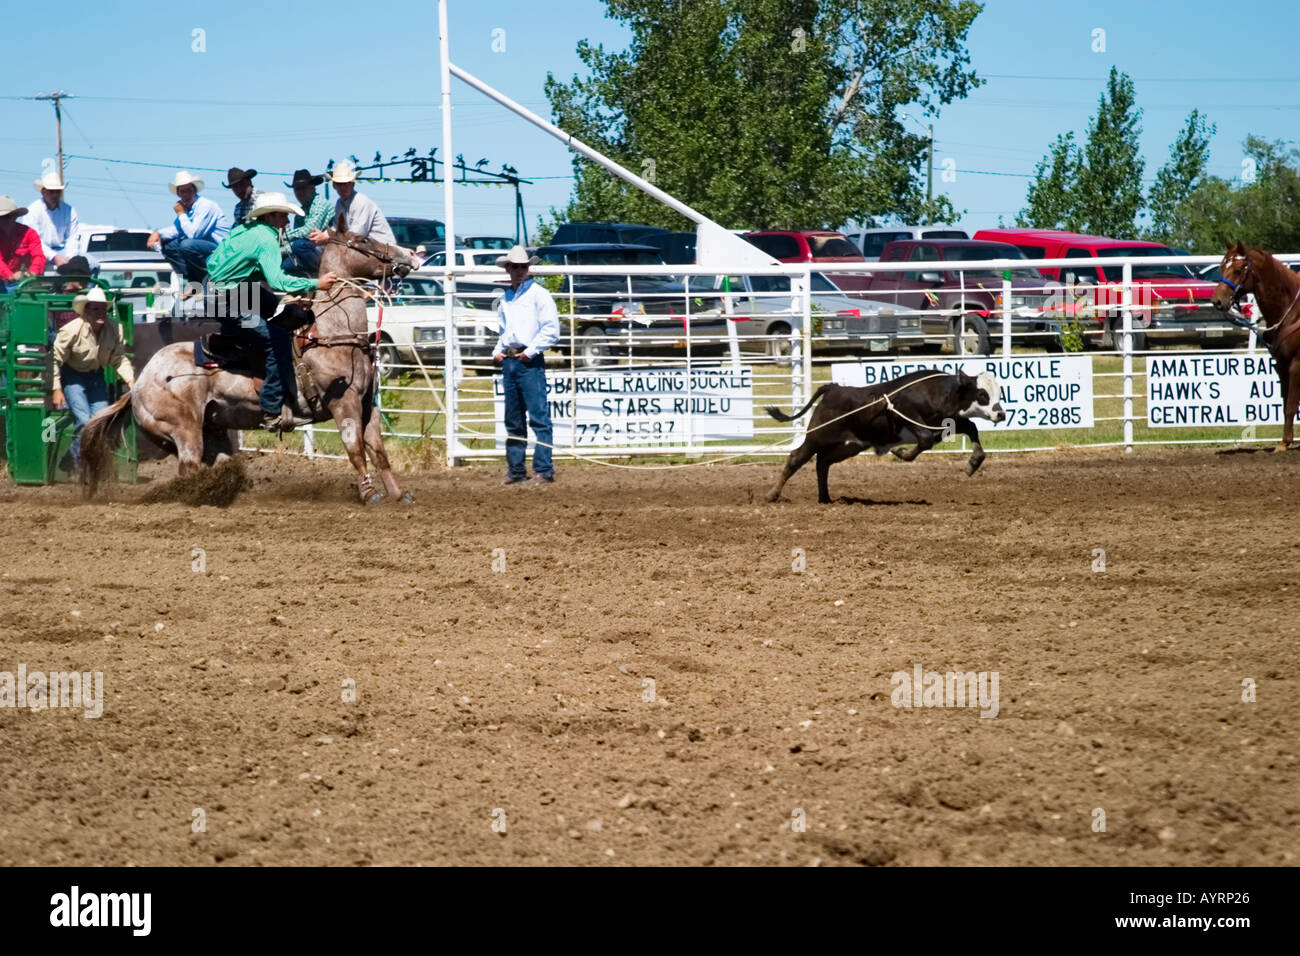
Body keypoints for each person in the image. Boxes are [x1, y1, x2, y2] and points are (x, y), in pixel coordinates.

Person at [203, 192, 337, 432]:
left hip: (230, 290)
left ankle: (278, 370)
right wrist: (317, 284)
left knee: (284, 312)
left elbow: (213, 261)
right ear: (272, 216)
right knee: (277, 340)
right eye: (284, 215)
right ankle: (271, 409)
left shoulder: (244, 230)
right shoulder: (266, 239)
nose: (287, 221)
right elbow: (276, 281)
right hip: (228, 298)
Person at [492, 245, 559, 485]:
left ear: (528, 268)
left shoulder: (539, 295)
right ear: (508, 268)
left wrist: (529, 353)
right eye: (515, 267)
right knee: (514, 419)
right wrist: (498, 351)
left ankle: (543, 470)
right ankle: (517, 470)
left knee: (538, 417)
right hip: (512, 360)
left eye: (523, 267)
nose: (519, 271)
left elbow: (552, 330)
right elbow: (504, 331)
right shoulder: (506, 297)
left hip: (527, 360)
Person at [52, 286, 135, 468]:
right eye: (95, 309)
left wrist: (130, 379)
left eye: (103, 309)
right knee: (83, 421)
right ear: (86, 311)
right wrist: (57, 388)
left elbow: (118, 357)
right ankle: (78, 464)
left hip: (96, 376)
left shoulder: (114, 329)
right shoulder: (71, 331)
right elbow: (55, 360)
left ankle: (74, 460)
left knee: (100, 421)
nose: (101, 313)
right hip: (73, 376)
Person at [146, 170, 231, 285]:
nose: (186, 194)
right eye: (183, 191)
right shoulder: (187, 210)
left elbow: (193, 234)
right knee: (169, 245)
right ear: (178, 194)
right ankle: (192, 280)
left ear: (195, 190)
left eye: (189, 190)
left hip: (221, 248)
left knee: (187, 244)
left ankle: (203, 279)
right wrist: (157, 233)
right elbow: (176, 230)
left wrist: (181, 213)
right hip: (203, 248)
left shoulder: (205, 205)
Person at [309, 159, 396, 246]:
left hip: (384, 250)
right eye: (340, 184)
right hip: (367, 248)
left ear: (353, 184)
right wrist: (321, 235)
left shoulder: (361, 202)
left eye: (346, 183)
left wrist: (327, 238)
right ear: (334, 186)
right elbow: (336, 228)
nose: (343, 187)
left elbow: (356, 235)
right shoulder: (339, 203)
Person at [281, 169, 333, 276]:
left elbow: (308, 232)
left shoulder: (320, 204)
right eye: (297, 189)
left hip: (327, 251)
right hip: (310, 252)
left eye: (304, 188)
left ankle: (318, 274)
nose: (300, 192)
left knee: (298, 246)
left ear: (313, 187)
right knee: (284, 265)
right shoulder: (300, 212)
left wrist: (281, 239)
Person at [23, 171, 80, 268]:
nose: (55, 195)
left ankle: (73, 282)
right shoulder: (33, 211)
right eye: (51, 191)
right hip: (38, 253)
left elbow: (73, 237)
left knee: (93, 265)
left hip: (63, 251)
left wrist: (70, 257)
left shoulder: (69, 210)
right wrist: (54, 257)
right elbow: (35, 242)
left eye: (58, 191)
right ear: (43, 192)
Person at [0, 195, 45, 292]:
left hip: (24, 283)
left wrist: (32, 272)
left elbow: (38, 256)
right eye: (1, 217)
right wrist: (10, 275)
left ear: (15, 216)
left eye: (7, 216)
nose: (3, 220)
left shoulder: (29, 233)